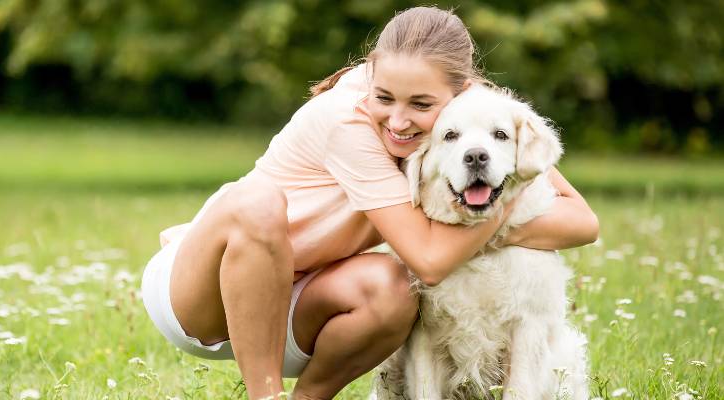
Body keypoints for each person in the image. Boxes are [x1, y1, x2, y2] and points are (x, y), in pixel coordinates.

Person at [141, 6, 599, 399]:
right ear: (372, 78)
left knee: (393, 286)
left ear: (458, 94)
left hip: (299, 303)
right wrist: (504, 193)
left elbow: (580, 220)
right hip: (206, 298)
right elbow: (432, 261)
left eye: (421, 105)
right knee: (257, 202)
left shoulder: (470, 122)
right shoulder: (347, 122)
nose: (398, 121)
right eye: (384, 98)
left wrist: (499, 182)